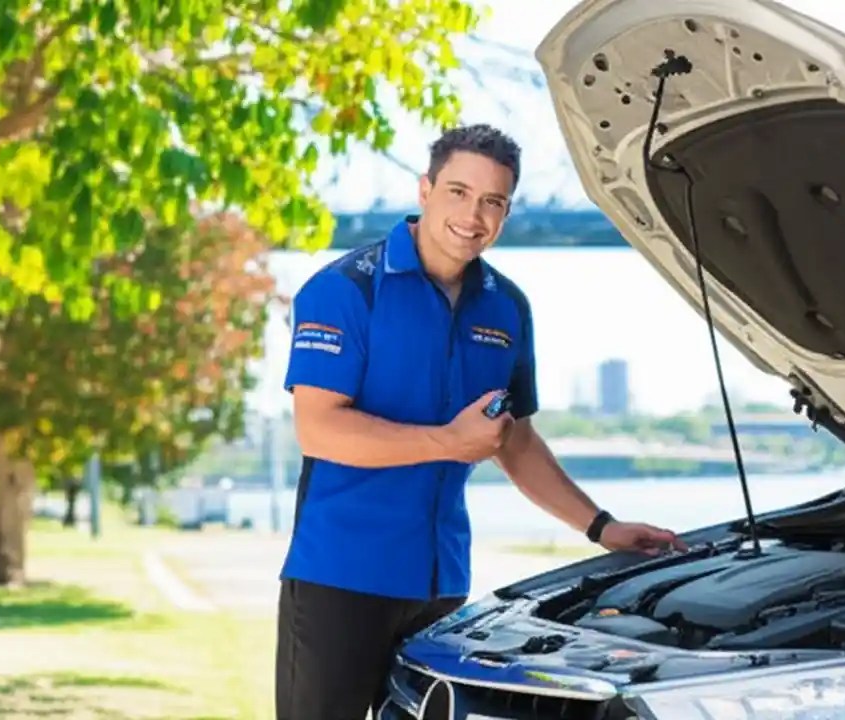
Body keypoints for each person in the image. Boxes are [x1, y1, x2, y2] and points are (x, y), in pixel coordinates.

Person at [274, 124, 687, 720]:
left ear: (507, 211)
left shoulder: (507, 307)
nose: (473, 216)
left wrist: (601, 527)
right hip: (341, 577)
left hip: (442, 586)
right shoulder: (344, 291)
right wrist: (448, 441)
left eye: (493, 201)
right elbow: (320, 429)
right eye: (459, 193)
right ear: (425, 190)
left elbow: (513, 441)